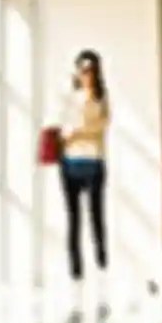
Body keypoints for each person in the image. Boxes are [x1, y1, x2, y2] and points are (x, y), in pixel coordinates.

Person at [56, 50, 110, 282]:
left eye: (90, 70)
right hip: (70, 160)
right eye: (82, 69)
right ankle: (75, 267)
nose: (86, 74)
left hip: (93, 160)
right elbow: (61, 125)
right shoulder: (69, 96)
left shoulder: (100, 97)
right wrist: (70, 132)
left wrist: (75, 130)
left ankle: (101, 260)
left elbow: (99, 125)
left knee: (96, 214)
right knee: (73, 217)